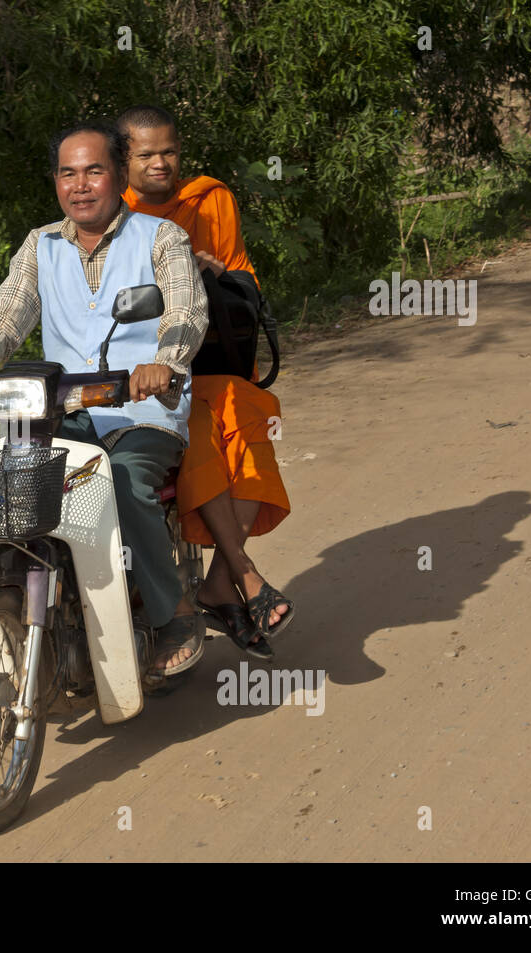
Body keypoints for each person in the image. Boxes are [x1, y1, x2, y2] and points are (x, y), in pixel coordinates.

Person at [0, 120, 210, 676]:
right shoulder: (41, 244)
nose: (80, 185)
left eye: (94, 171)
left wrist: (165, 363)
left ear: (118, 174)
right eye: (67, 172)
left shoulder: (160, 238)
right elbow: (5, 317)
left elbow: (184, 314)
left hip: (140, 410)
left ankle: (172, 610)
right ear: (55, 181)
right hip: (61, 411)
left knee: (122, 483)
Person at [117, 104, 296, 660]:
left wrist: (221, 275)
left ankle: (222, 581)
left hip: (211, 355)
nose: (160, 164)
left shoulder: (209, 199)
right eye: (145, 155)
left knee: (249, 410)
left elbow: (245, 277)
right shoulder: (109, 210)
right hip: (142, 368)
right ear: (123, 160)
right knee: (192, 423)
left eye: (168, 151)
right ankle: (239, 578)